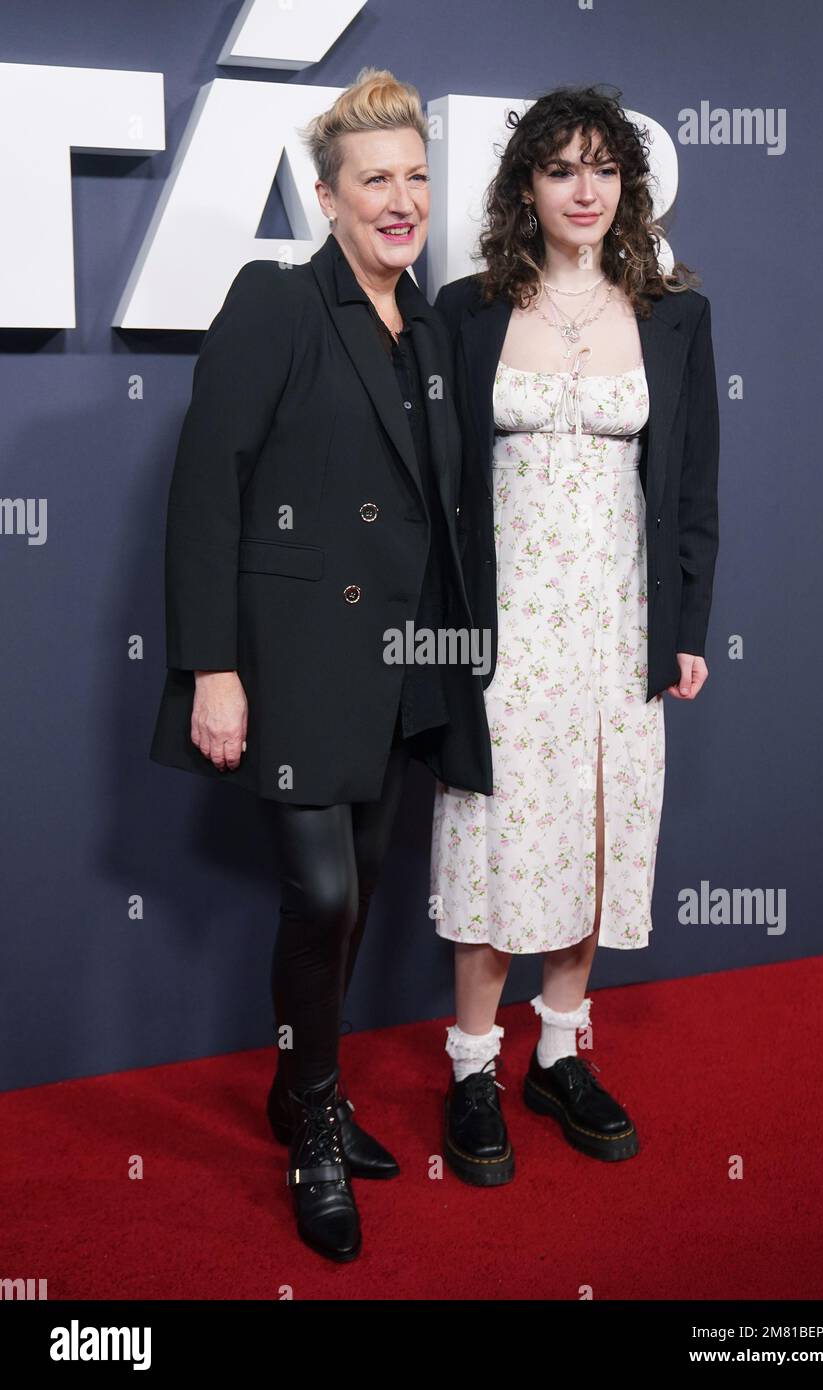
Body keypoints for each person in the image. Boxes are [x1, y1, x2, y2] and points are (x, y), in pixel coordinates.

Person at [149, 68, 493, 1259]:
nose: (400, 201)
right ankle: (308, 1123)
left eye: (414, 178)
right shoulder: (276, 303)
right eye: (374, 181)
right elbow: (207, 492)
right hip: (288, 662)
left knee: (358, 900)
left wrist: (458, 657)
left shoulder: (431, 326)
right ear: (327, 194)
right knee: (326, 897)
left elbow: (440, 513)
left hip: (398, 669)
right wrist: (213, 667)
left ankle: (308, 1088)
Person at [429, 85, 719, 1185]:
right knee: (498, 837)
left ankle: (558, 1049)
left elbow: (692, 484)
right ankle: (470, 1067)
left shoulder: (675, 312)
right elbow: (431, 486)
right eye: (560, 169)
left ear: (628, 187)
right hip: (500, 635)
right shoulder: (464, 309)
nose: (584, 189)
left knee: (592, 831)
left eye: (603, 169)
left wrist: (684, 624)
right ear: (527, 188)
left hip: (615, 624)